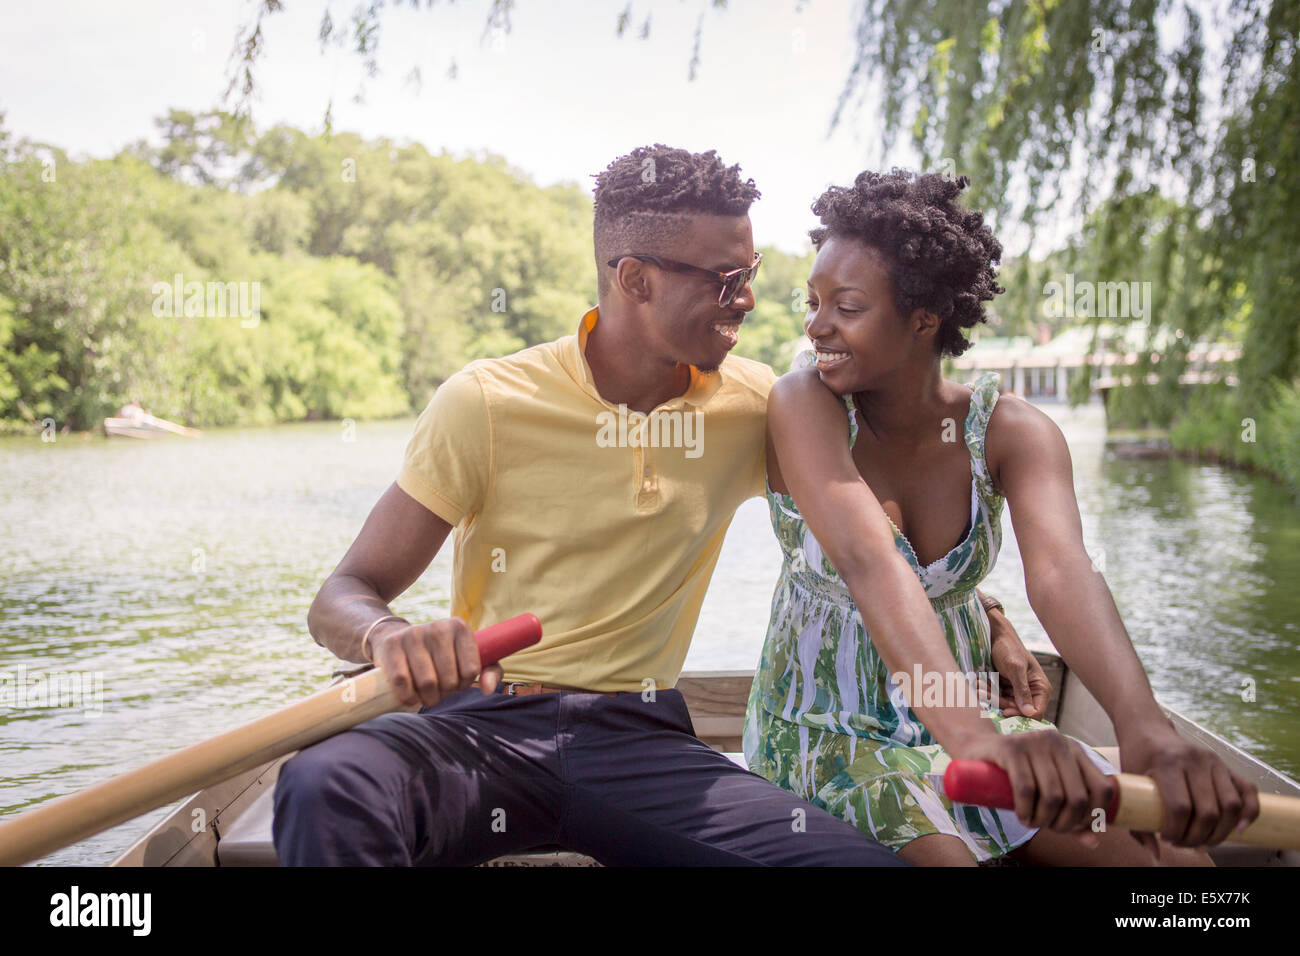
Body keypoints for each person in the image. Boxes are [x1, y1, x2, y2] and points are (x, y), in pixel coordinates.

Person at [276, 145, 1017, 867]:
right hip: (481, 728)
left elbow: (870, 534)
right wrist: (385, 635)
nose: (750, 299)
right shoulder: (485, 403)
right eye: (726, 278)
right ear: (633, 279)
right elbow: (341, 595)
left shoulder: (762, 406)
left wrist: (992, 617)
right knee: (323, 783)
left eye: (750, 273)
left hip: (640, 739)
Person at [743, 169, 1261, 866]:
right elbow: (871, 563)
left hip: (969, 719)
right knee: (948, 860)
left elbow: (1061, 573)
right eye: (813, 301)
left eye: (848, 306)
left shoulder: (1011, 430)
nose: (816, 325)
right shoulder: (805, 401)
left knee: (1173, 864)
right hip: (826, 731)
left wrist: (1146, 729)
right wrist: (978, 743)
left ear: (924, 317)